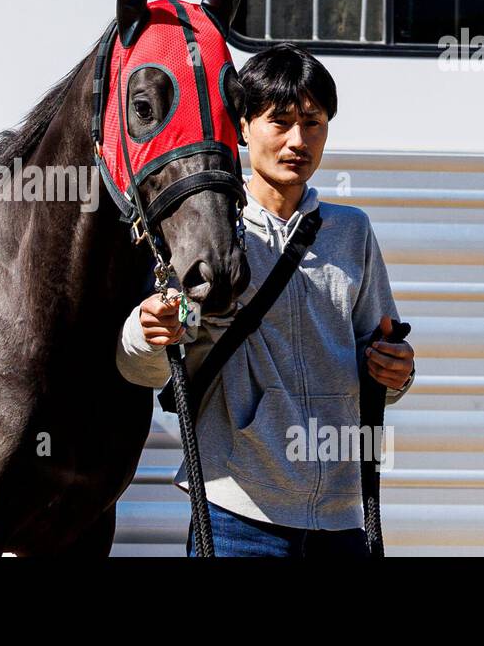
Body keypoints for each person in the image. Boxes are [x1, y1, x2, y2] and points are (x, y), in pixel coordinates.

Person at [115, 43, 415, 557]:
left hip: (341, 518)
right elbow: (147, 367)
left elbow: (380, 371)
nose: (298, 140)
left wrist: (397, 371)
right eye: (279, 121)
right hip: (236, 514)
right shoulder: (208, 232)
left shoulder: (352, 233)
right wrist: (145, 332)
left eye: (314, 122)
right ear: (243, 127)